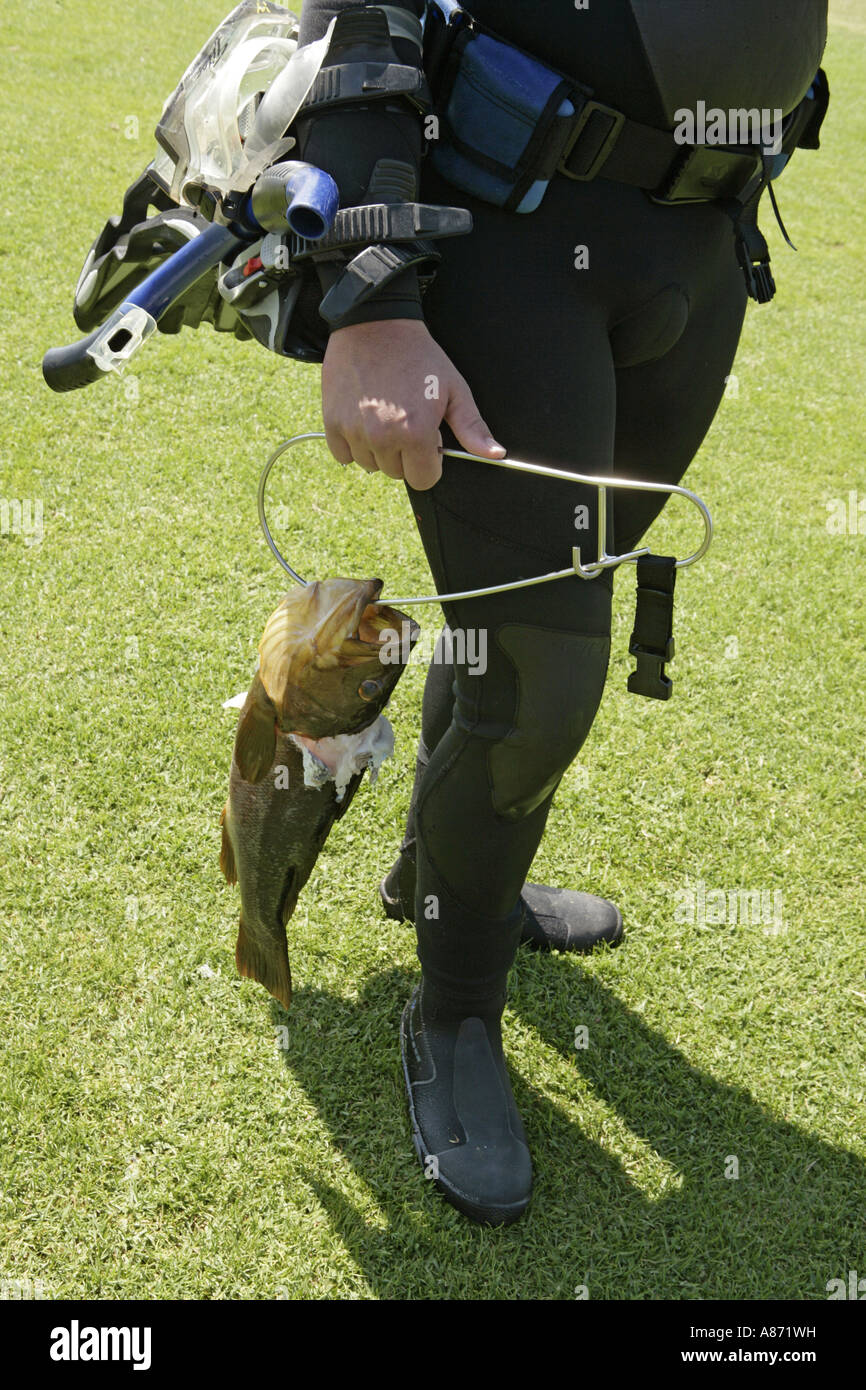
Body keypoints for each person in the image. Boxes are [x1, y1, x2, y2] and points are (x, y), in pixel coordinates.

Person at [294, 0, 828, 1225]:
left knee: (524, 629)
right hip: (515, 236)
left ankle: (439, 874)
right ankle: (454, 1004)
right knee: (541, 691)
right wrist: (371, 287)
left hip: (698, 241)